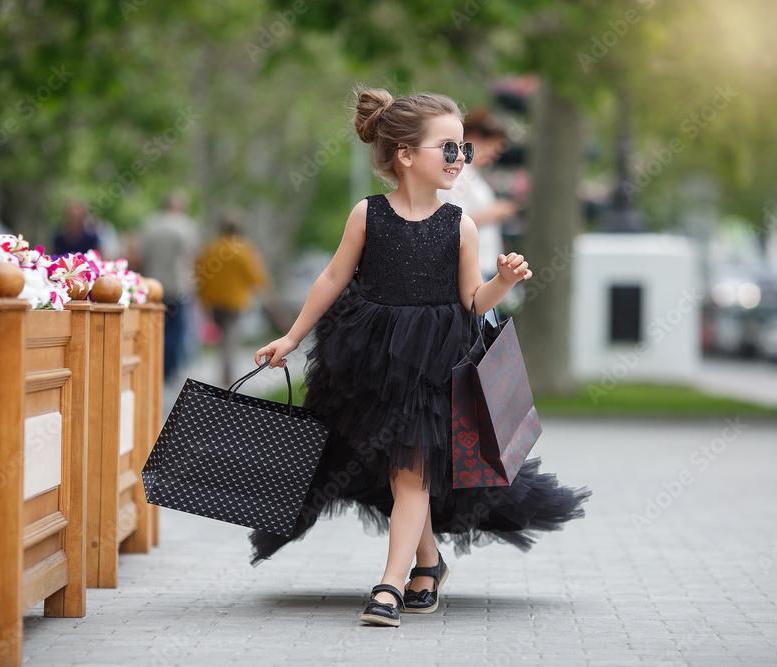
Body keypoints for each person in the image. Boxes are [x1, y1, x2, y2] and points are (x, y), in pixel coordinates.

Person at [254, 88, 590, 627]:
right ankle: (428, 564)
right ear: (406, 155)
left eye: (464, 150)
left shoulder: (461, 224)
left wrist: (502, 281)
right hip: (370, 360)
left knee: (411, 473)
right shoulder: (367, 215)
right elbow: (333, 277)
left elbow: (472, 304)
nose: (460, 159)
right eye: (448, 148)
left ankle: (388, 586)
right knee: (398, 470)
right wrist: (292, 338)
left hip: (436, 366)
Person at [437, 109, 520, 325]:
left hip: (482, 266)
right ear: (473, 139)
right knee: (481, 333)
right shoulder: (459, 174)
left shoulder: (472, 175)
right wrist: (495, 212)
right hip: (470, 268)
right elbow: (452, 219)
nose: (495, 154)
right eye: (493, 146)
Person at [195, 209, 290, 386]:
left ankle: (224, 372)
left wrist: (202, 300)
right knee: (230, 336)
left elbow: (200, 275)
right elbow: (258, 278)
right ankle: (227, 375)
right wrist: (272, 302)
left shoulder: (211, 248)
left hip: (214, 300)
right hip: (235, 301)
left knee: (224, 336)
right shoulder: (245, 250)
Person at [139, 191, 200, 382]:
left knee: (156, 328)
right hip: (177, 286)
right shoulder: (187, 225)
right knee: (176, 329)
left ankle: (156, 367)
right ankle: (170, 370)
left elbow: (142, 256)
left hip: (155, 285)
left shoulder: (151, 225)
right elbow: (192, 258)